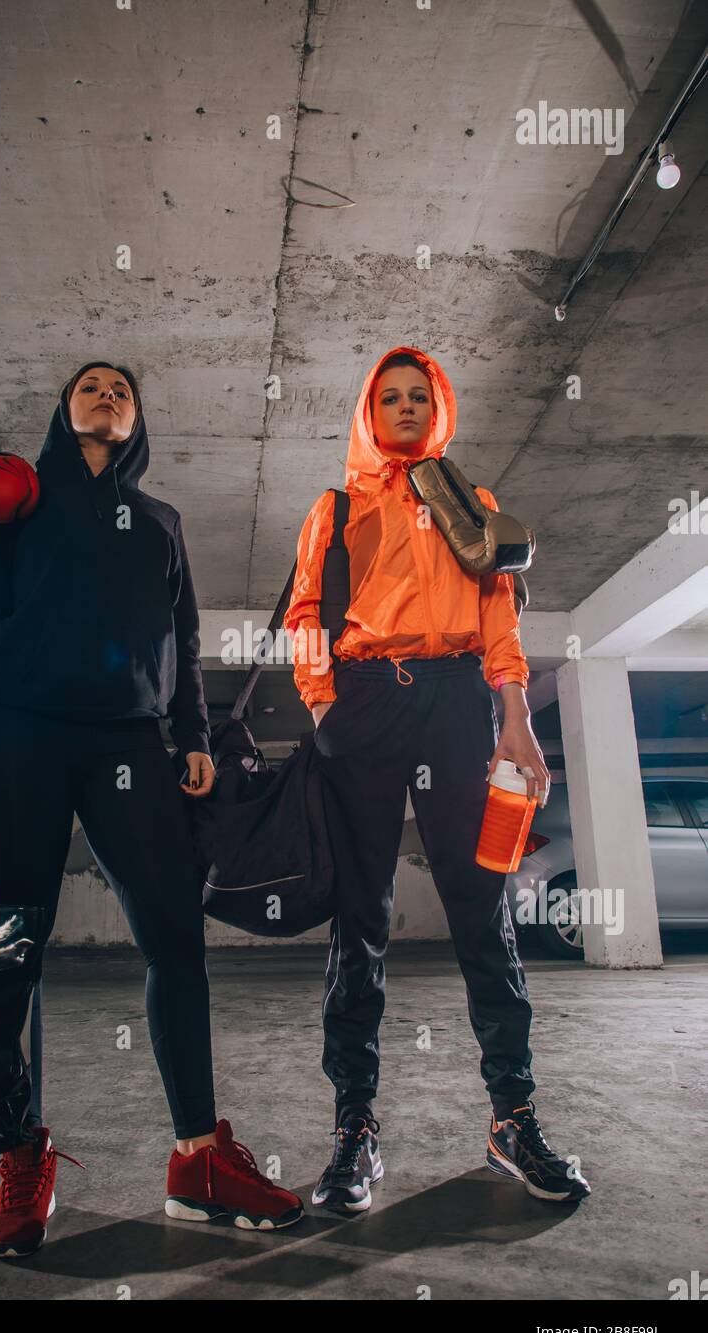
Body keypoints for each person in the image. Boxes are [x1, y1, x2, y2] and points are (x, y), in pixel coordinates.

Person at [0, 360, 302, 1254]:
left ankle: (198, 1160)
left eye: (122, 392)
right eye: (91, 387)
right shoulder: (20, 502)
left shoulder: (161, 524)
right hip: (20, 737)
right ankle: (19, 1156)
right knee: (13, 946)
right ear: (64, 412)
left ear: (137, 423)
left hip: (131, 745)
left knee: (174, 936)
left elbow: (182, 637)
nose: (107, 396)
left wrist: (196, 737)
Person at [283, 346, 591, 1213]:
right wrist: (322, 709)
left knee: (483, 913)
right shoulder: (334, 507)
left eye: (421, 395)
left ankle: (513, 1119)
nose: (407, 407)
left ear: (439, 407)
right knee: (361, 920)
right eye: (392, 397)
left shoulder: (473, 505)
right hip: (366, 707)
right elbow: (305, 616)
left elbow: (497, 619)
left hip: (460, 706)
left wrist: (517, 718)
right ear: (369, 412)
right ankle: (354, 1130)